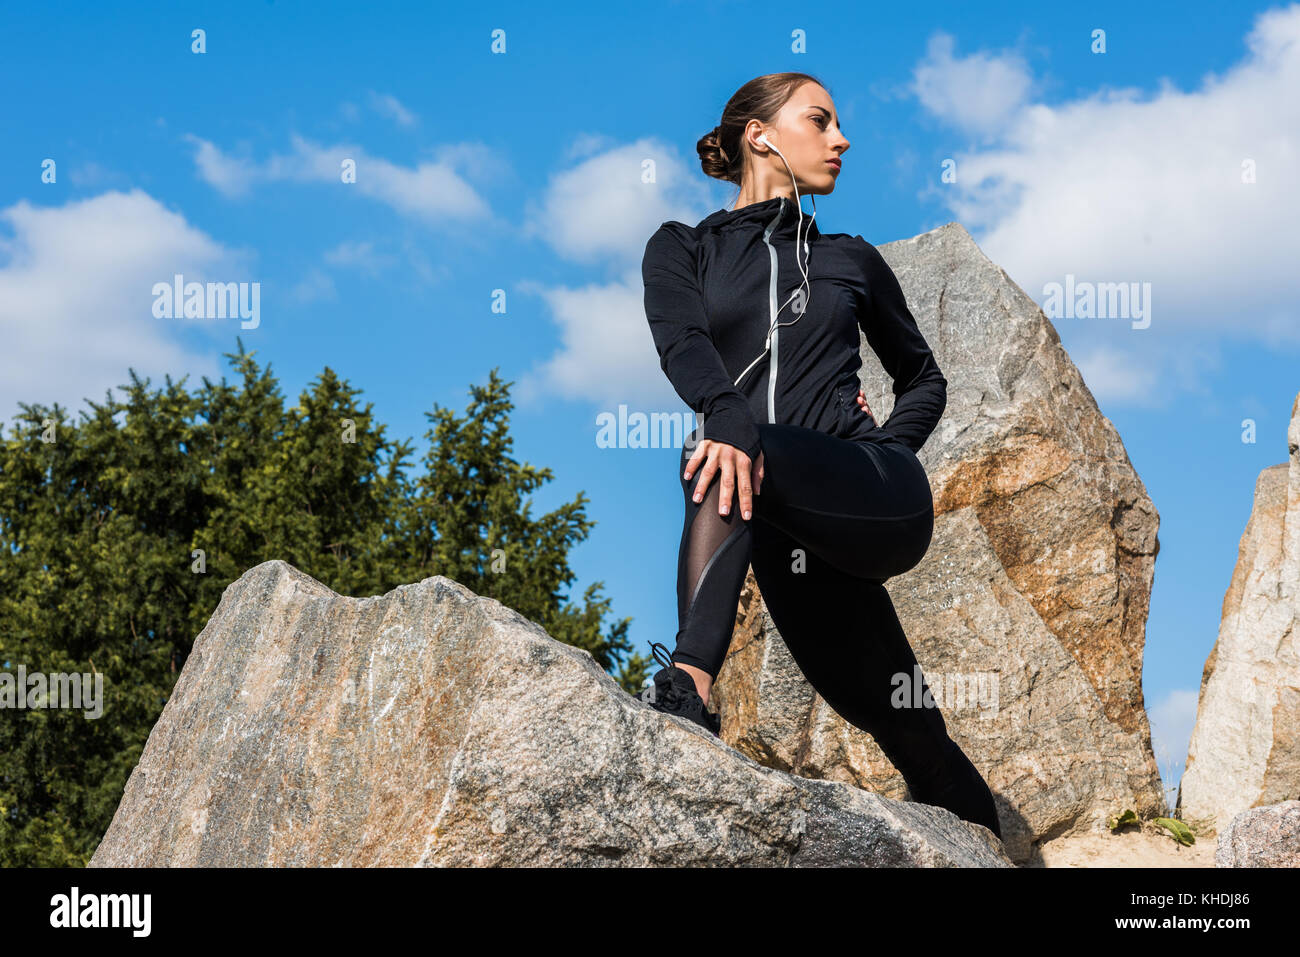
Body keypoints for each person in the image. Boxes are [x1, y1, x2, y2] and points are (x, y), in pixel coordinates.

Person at [634, 72, 1001, 840]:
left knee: (722, 449)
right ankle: (989, 847)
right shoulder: (682, 249)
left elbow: (923, 377)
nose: (842, 139)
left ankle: (689, 686)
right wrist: (730, 414)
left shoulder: (849, 257)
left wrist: (887, 447)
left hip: (874, 495)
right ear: (760, 135)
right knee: (907, 727)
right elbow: (684, 344)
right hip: (784, 537)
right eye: (821, 120)